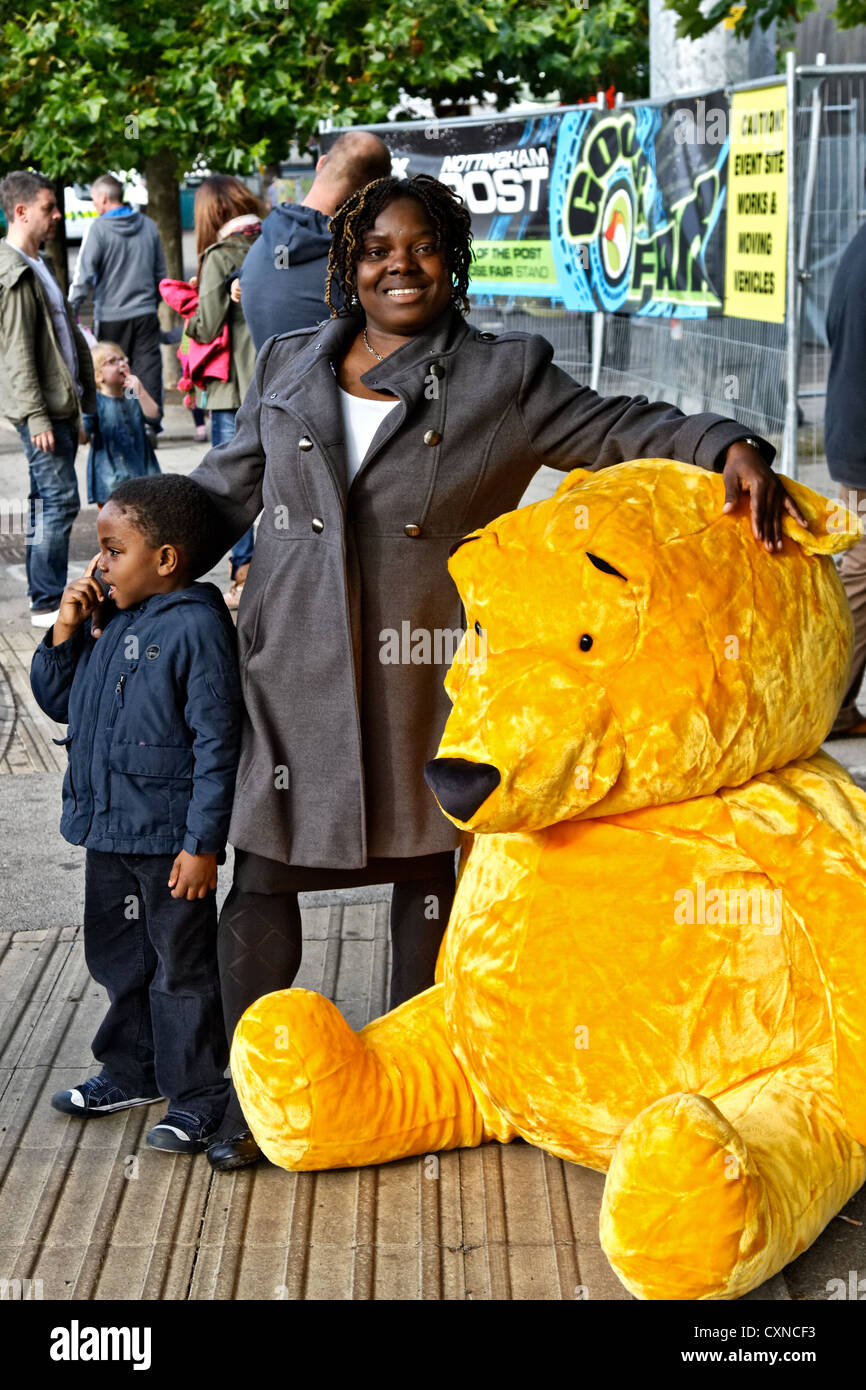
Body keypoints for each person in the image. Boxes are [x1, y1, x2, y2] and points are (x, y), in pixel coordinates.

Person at [186, 173, 804, 1172]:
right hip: (291, 669)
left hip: (422, 672)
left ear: (452, 260)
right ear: (347, 264)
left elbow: (614, 427)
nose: (400, 264)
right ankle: (250, 1095)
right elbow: (220, 492)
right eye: (379, 248)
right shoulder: (295, 362)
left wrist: (721, 442)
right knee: (261, 878)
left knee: (427, 876)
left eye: (422, 246)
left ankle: (400, 1090)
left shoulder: (497, 377)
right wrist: (129, 547)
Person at [29, 474, 242, 1153]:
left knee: (180, 966)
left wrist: (203, 844)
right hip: (106, 828)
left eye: (113, 551)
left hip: (168, 840)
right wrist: (64, 630)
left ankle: (200, 1095)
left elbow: (218, 741)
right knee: (119, 956)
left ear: (167, 560)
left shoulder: (199, 627)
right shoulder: (108, 619)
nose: (99, 566)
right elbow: (59, 701)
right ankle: (131, 1069)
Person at [0, 171, 96, 627]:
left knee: (45, 501)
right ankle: (46, 601)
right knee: (58, 502)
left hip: (59, 407)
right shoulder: (16, 270)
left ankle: (44, 596)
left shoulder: (40, 265)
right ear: (20, 212)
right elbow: (17, 352)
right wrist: (38, 415)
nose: (57, 215)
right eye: (48, 207)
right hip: (40, 412)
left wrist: (78, 406)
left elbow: (65, 341)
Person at [184, 176, 266, 606]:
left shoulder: (220, 255)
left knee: (230, 485)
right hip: (276, 380)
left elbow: (205, 325)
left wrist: (183, 309)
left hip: (232, 389)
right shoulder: (273, 244)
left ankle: (243, 574)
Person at [239, 130, 391, 350]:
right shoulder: (361, 262)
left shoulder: (260, 246)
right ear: (375, 192)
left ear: (320, 164)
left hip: (270, 383)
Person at [69, 174, 166, 444]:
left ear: (101, 198)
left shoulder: (98, 228)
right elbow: (161, 275)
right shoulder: (149, 226)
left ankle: (117, 425)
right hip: (145, 313)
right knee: (144, 368)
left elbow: (83, 276)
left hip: (111, 315)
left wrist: (70, 309)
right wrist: (151, 304)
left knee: (111, 371)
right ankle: (148, 426)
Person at [824, 221, 866, 737]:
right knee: (858, 575)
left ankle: (832, 705)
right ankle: (828, 704)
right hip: (860, 445)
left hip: (851, 436)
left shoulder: (856, 242)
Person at [84, 342, 161, 506]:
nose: (122, 364)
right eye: (112, 361)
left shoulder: (133, 396)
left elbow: (154, 416)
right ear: (98, 376)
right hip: (111, 477)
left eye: (122, 359)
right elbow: (83, 432)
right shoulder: (95, 402)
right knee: (114, 523)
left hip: (143, 472)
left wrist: (140, 391)